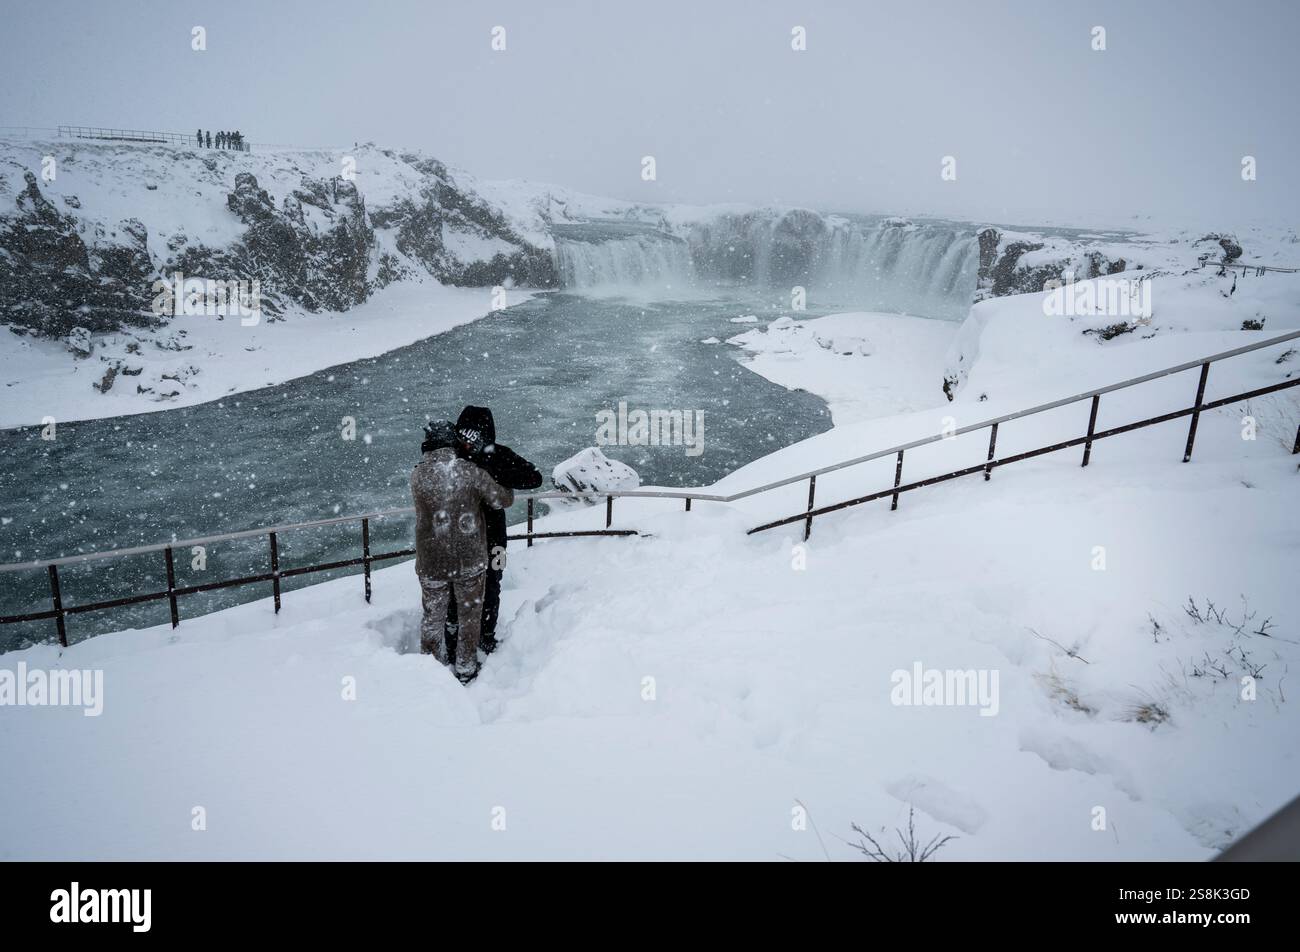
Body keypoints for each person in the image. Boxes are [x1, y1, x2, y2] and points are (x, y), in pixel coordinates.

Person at [411, 420, 514, 684]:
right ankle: (466, 669)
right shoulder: (470, 472)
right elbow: (502, 499)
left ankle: (429, 671)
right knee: (469, 617)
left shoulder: (417, 475)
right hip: (468, 559)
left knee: (432, 618)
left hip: (431, 561)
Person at [444, 406, 542, 658]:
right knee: (458, 588)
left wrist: (493, 474)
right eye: (463, 437)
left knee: (492, 583)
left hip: (493, 538)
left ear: (485, 436)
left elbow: (534, 478)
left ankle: (484, 636)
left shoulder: (496, 456)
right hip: (464, 538)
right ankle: (457, 641)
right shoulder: (453, 455)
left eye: (473, 437)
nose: (467, 444)